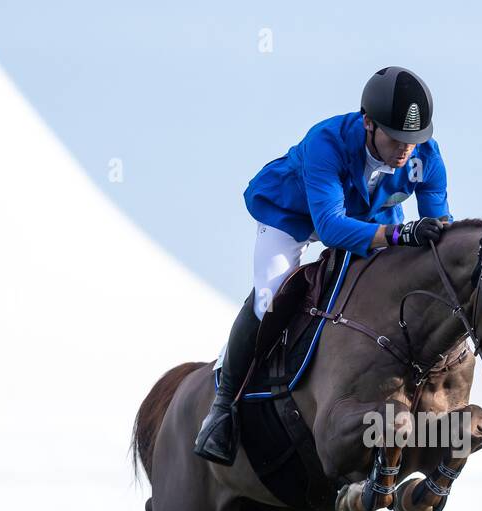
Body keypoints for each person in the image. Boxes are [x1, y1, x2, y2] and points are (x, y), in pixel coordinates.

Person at [194, 66, 452, 465]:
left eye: (414, 140)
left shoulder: (426, 158)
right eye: (396, 138)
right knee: (271, 295)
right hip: (294, 215)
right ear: (368, 123)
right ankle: (223, 406)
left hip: (368, 219)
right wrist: (401, 236)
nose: (406, 151)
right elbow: (330, 228)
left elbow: (438, 233)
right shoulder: (327, 142)